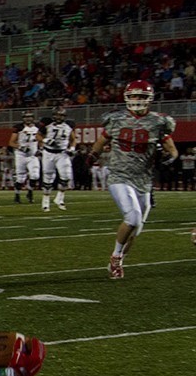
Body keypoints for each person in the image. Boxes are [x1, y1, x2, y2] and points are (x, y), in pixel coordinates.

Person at [86, 80, 177, 279]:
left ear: (149, 99)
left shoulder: (159, 122)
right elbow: (102, 140)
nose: (137, 100)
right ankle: (116, 256)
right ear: (127, 97)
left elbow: (172, 150)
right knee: (133, 218)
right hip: (119, 175)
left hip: (144, 180)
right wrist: (93, 155)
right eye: (134, 96)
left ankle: (119, 259)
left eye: (141, 96)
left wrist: (169, 157)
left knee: (136, 229)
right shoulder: (116, 119)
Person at [38, 107, 76, 212]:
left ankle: (59, 198)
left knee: (66, 176)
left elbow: (73, 139)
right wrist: (46, 140)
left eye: (61, 115)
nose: (59, 117)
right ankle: (45, 202)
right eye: (57, 115)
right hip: (48, 153)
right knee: (48, 177)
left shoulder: (69, 126)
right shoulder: (47, 124)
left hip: (62, 153)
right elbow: (38, 135)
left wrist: (72, 148)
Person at [9, 110, 41, 204]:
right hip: (21, 155)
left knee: (35, 175)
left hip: (32, 155)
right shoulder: (18, 127)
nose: (28, 119)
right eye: (26, 117)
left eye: (29, 117)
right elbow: (11, 142)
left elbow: (41, 139)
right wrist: (21, 147)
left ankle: (30, 192)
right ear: (23, 118)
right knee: (20, 178)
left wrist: (41, 148)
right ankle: (17, 195)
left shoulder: (38, 127)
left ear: (33, 118)